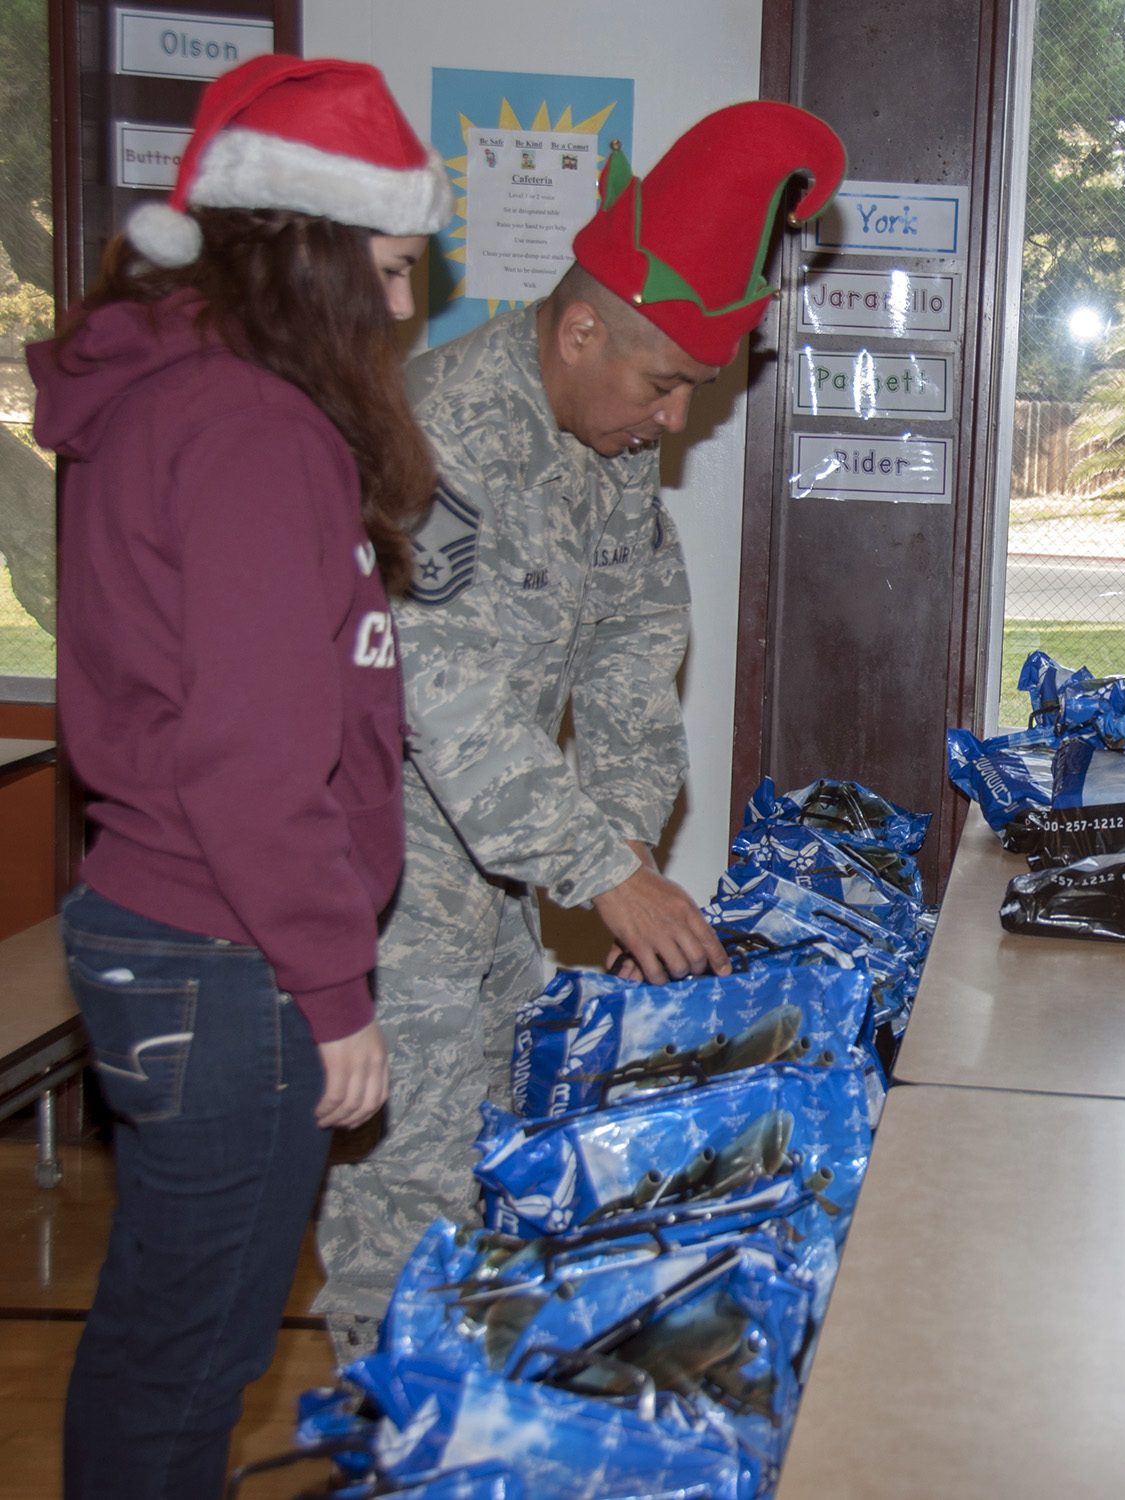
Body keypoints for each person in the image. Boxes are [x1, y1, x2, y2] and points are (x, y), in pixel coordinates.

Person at [314, 101, 848, 1357]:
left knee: (510, 1188)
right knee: (408, 1225)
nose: (671, 423)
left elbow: (634, 648)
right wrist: (606, 876)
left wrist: (620, 862)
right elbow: (434, 689)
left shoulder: (603, 446)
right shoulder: (432, 438)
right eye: (665, 386)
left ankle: (492, 1444)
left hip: (504, 886)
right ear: (580, 328)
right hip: (390, 892)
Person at [28, 56, 448, 1499]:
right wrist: (334, 993)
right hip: (231, 961)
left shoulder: (176, 403)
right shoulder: (256, 432)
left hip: (176, 939)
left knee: (162, 1335)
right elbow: (256, 759)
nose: (402, 307)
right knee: (192, 1353)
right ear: (314, 251)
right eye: (390, 270)